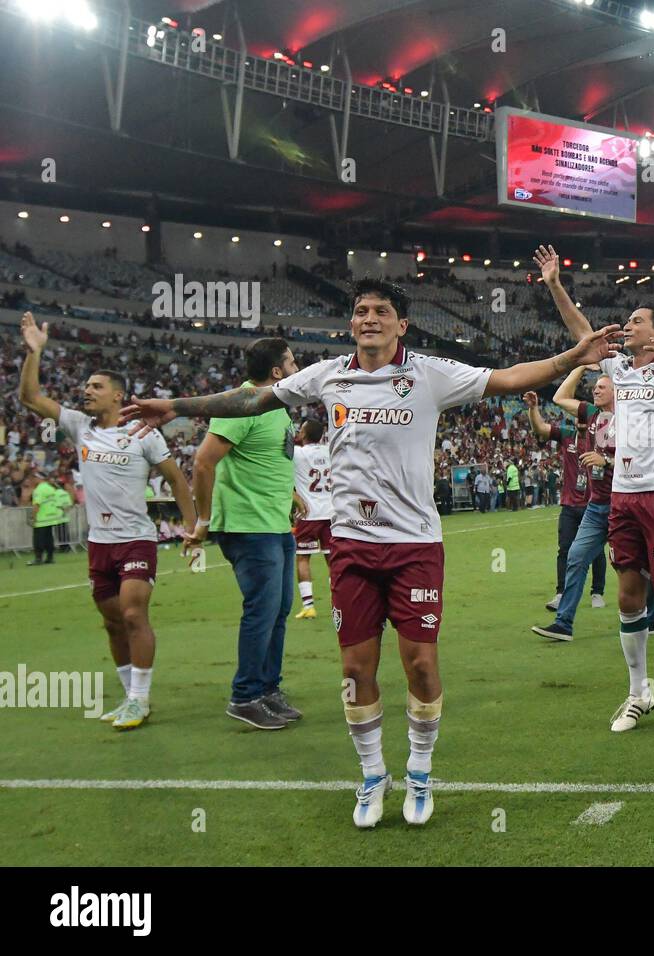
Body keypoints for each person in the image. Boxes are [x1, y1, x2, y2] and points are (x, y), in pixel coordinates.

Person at [122, 277, 622, 827]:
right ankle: (371, 776)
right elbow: (250, 398)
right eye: (361, 310)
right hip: (353, 547)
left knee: (422, 666)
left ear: (400, 325)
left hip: (415, 547)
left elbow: (508, 379)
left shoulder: (429, 374)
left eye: (381, 311)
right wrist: (177, 404)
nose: (369, 318)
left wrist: (575, 355)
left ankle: (421, 771)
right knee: (357, 669)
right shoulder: (328, 375)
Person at [535, 244, 654, 735]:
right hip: (623, 496)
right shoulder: (618, 369)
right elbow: (581, 332)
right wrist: (555, 284)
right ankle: (638, 692)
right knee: (627, 599)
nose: (627, 324)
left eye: (636, 320)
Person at [19, 311, 197, 730]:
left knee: (134, 615)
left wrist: (192, 528)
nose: (87, 392)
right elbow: (29, 397)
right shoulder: (79, 427)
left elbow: (178, 481)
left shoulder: (143, 432)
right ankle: (128, 696)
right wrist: (33, 353)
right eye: (85, 386)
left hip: (136, 539)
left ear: (118, 396)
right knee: (113, 622)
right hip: (100, 544)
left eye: (96, 387)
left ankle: (140, 699)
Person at [188, 338, 301, 730]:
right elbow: (203, 463)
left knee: (280, 609)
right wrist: (203, 521)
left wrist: (291, 493)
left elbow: (263, 457)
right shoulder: (242, 404)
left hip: (274, 522)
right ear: (276, 372)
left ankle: (268, 689)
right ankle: (245, 696)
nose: (297, 368)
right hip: (247, 526)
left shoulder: (277, 407)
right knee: (262, 610)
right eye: (291, 362)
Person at [529, 371, 654, 641]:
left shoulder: (631, 419)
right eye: (595, 386)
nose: (595, 391)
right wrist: (580, 367)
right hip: (597, 506)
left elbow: (647, 460)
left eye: (602, 387)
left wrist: (608, 463)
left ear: (617, 392)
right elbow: (559, 397)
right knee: (576, 557)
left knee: (638, 563)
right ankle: (563, 623)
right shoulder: (590, 414)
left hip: (625, 504)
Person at [525, 376, 606, 611]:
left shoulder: (599, 436)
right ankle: (561, 593)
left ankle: (597, 591)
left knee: (597, 550)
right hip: (570, 504)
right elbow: (539, 428)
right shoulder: (567, 435)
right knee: (564, 549)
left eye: (584, 420)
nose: (581, 423)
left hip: (593, 502)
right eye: (578, 419)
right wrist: (534, 409)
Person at [292, 418, 334, 620]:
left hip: (309, 514)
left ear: (304, 435)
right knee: (333, 559)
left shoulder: (298, 454)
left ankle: (308, 606)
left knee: (302, 558)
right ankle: (341, 601)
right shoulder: (330, 451)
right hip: (332, 513)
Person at [28, 468, 64, 564]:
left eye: (34, 477)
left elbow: (37, 505)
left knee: (38, 539)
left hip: (41, 519)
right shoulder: (51, 488)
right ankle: (50, 557)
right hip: (51, 518)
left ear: (39, 478)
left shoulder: (39, 490)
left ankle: (38, 558)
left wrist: (33, 517)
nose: (33, 479)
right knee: (49, 538)